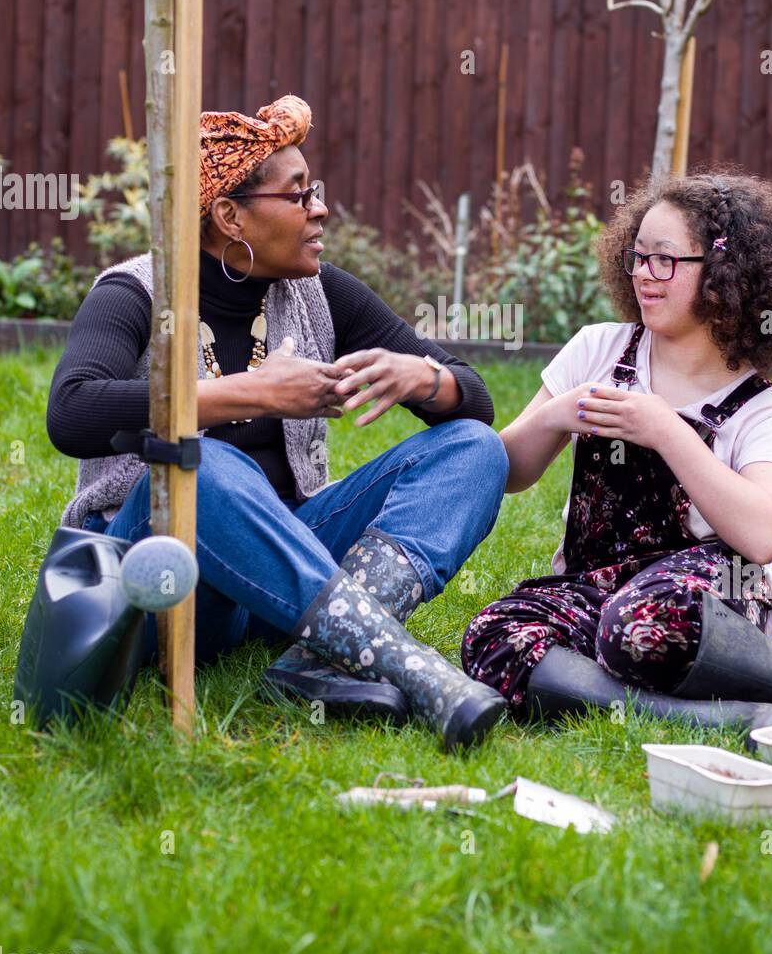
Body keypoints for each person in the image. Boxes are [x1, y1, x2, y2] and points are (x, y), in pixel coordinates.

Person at [46, 94, 509, 750]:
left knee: (473, 450)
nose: (319, 208)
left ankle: (314, 664)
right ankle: (410, 668)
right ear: (229, 215)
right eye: (298, 195)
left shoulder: (318, 292)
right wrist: (249, 393)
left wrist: (425, 379)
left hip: (277, 576)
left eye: (314, 190)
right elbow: (72, 411)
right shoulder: (136, 293)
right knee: (201, 468)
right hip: (158, 582)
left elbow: (478, 402)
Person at [462, 171, 772, 733]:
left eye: (665, 260)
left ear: (725, 276)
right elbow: (510, 472)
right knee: (496, 634)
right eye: (637, 256)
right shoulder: (598, 349)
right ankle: (716, 719)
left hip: (704, 609)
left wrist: (667, 429)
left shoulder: (767, 413)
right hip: (594, 590)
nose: (643, 274)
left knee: (638, 622)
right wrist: (555, 414)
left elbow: (764, 534)